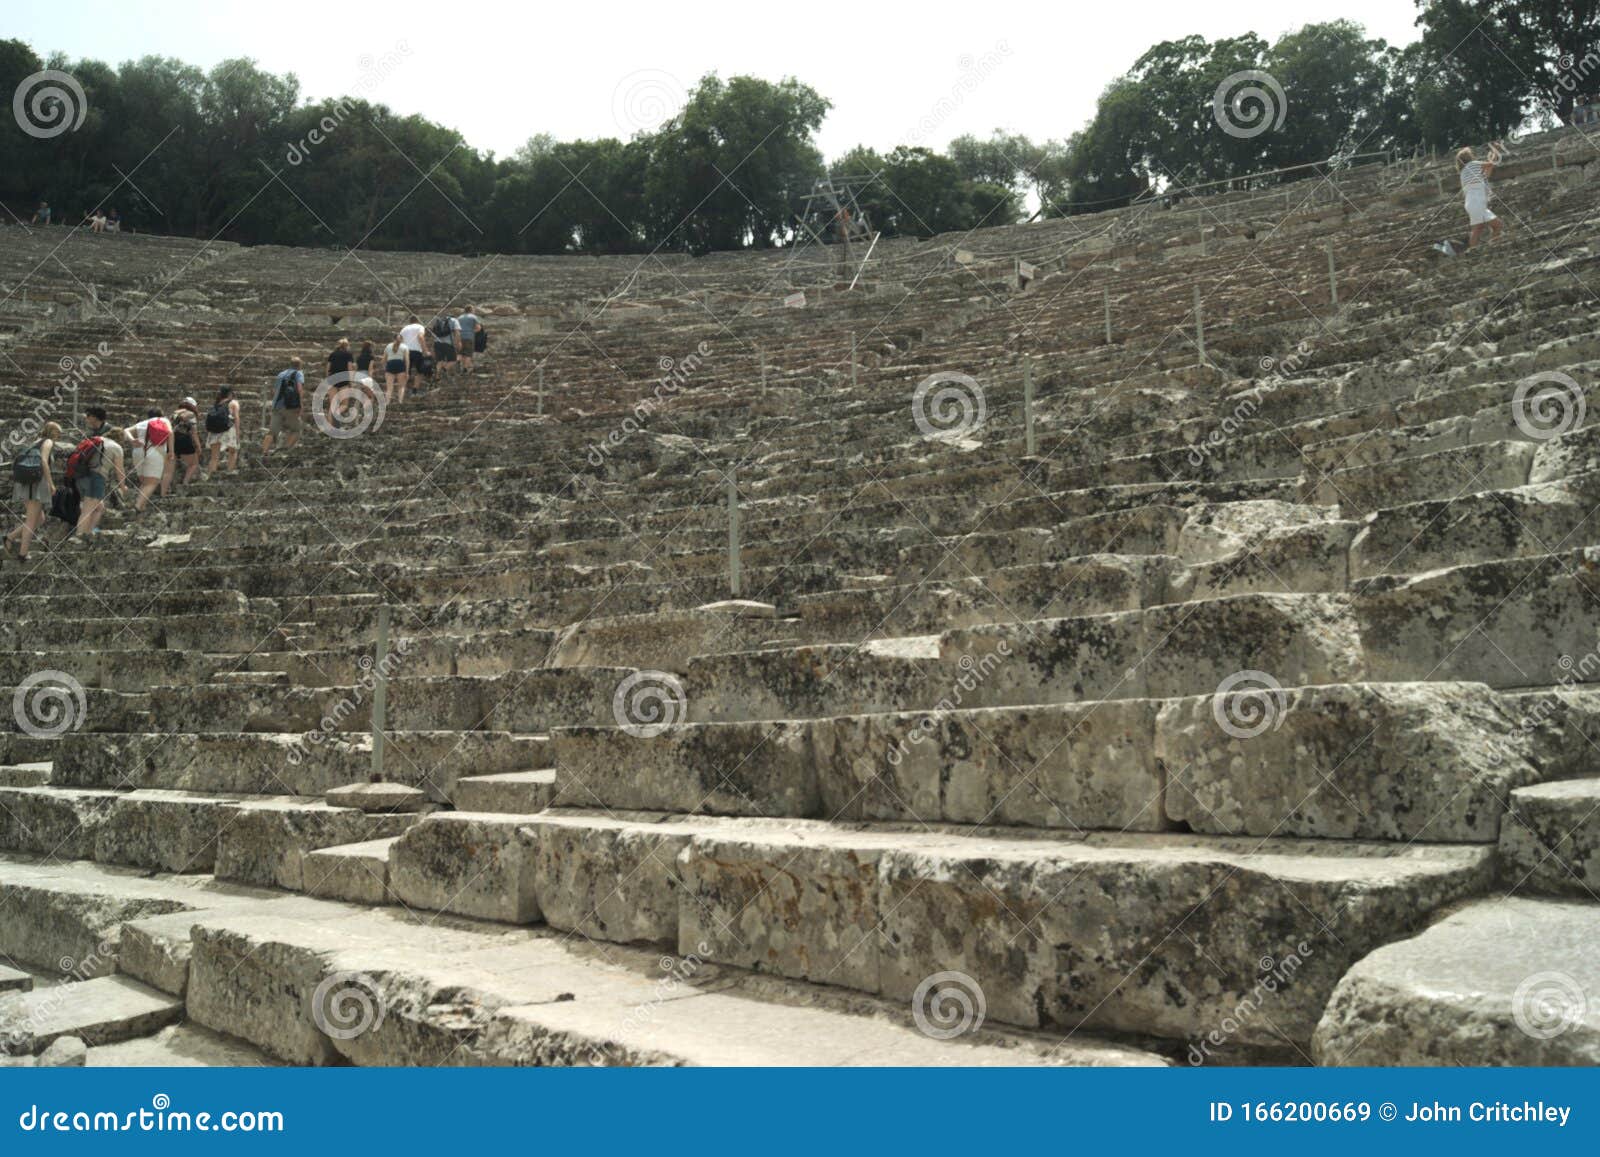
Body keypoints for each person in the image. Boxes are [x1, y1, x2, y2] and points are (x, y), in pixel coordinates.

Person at [4, 422, 60, 563]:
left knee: (39, 519)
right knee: (31, 520)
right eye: (58, 432)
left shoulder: (35, 441)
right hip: (36, 483)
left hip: (25, 482)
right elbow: (43, 461)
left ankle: (10, 537)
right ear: (52, 432)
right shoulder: (47, 442)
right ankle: (23, 554)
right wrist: (51, 483)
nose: (59, 436)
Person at [72, 412, 125, 543]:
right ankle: (79, 537)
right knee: (88, 510)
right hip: (96, 478)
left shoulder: (96, 440)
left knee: (99, 508)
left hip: (81, 477)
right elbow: (119, 470)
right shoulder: (117, 447)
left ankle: (88, 533)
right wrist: (123, 486)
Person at [124, 407, 171, 513]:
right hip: (155, 452)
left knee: (144, 482)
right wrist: (170, 451)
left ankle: (142, 506)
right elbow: (170, 433)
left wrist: (132, 440)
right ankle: (137, 507)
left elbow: (126, 430)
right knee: (152, 482)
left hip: (138, 450)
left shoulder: (142, 423)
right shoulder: (164, 420)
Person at [1457, 145, 1504, 248]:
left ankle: (1475, 250)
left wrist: (1493, 155)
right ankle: (1491, 247)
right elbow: (1491, 164)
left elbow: (1487, 174)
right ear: (1468, 157)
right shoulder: (1473, 164)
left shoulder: (1464, 171)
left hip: (1472, 203)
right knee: (1497, 225)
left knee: (1478, 228)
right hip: (1477, 202)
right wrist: (1495, 151)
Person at [263, 359, 304, 459]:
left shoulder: (281, 374)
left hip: (277, 406)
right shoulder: (298, 374)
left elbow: (275, 390)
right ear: (299, 366)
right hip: (290, 407)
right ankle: (283, 450)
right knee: (296, 430)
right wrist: (301, 405)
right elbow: (299, 389)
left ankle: (264, 452)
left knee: (272, 432)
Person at [203, 386, 241, 474]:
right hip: (228, 430)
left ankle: (210, 476)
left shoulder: (217, 404)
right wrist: (238, 433)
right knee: (233, 451)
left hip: (214, 431)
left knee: (214, 457)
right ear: (230, 394)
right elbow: (236, 418)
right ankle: (229, 472)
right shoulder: (233, 403)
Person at [166, 397, 201, 490]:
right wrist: (198, 446)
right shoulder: (191, 414)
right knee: (194, 464)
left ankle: (167, 487)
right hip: (184, 439)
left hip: (171, 440)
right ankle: (185, 482)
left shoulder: (173, 414)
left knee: (170, 467)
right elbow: (194, 432)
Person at [398, 316, 428, 391]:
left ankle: (403, 389)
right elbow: (421, 337)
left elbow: (399, 340)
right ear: (417, 321)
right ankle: (415, 389)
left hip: (405, 351)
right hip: (416, 351)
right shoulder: (420, 327)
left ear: (410, 321)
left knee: (406, 370)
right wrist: (425, 350)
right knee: (420, 371)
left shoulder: (404, 328)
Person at [429, 312, 459, 379]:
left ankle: (437, 376)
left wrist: (432, 346)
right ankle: (444, 369)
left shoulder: (437, 321)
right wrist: (458, 343)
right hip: (448, 343)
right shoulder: (454, 320)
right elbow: (457, 333)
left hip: (437, 343)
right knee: (453, 360)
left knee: (440, 360)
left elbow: (433, 334)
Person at [382, 335, 408, 405]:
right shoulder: (404, 347)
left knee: (389, 387)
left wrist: (385, 368)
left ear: (393, 339)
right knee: (401, 386)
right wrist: (407, 372)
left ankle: (387, 402)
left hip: (390, 364)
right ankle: (400, 401)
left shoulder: (388, 346)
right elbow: (407, 360)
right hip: (400, 364)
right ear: (402, 339)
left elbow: (383, 360)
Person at [456, 306, 480, 374]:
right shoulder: (473, 317)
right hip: (469, 337)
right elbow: (478, 328)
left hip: (460, 337)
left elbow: (456, 328)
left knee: (460, 352)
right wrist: (472, 331)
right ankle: (465, 368)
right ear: (471, 310)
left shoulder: (459, 317)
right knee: (468, 354)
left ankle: (458, 360)